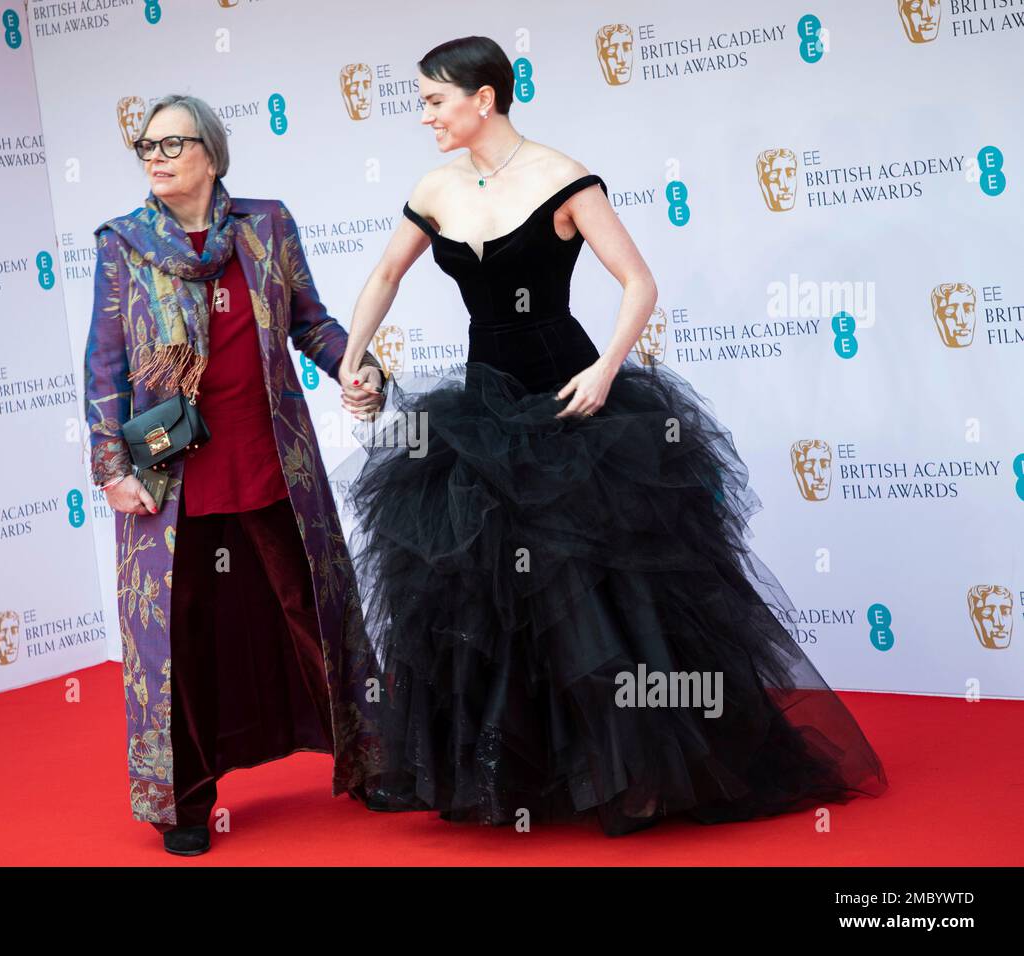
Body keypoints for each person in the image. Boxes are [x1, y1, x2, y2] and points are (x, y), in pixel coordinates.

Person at [331, 36, 888, 836]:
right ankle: (529, 770)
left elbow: (638, 281)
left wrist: (604, 372)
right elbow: (385, 275)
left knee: (597, 591)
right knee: (486, 592)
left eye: (433, 100)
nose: (423, 115)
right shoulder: (436, 186)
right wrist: (353, 359)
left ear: (482, 98)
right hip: (484, 406)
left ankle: (640, 773)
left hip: (571, 398)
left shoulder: (563, 177)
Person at [83, 94, 387, 856]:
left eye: (172, 143)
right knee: (179, 640)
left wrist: (359, 368)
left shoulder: (266, 226)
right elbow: (105, 364)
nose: (155, 155)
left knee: (316, 605)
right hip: (168, 478)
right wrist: (110, 465)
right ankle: (186, 804)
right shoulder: (123, 243)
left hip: (271, 458)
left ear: (211, 156)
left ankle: (372, 759)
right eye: (145, 145)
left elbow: (310, 322)